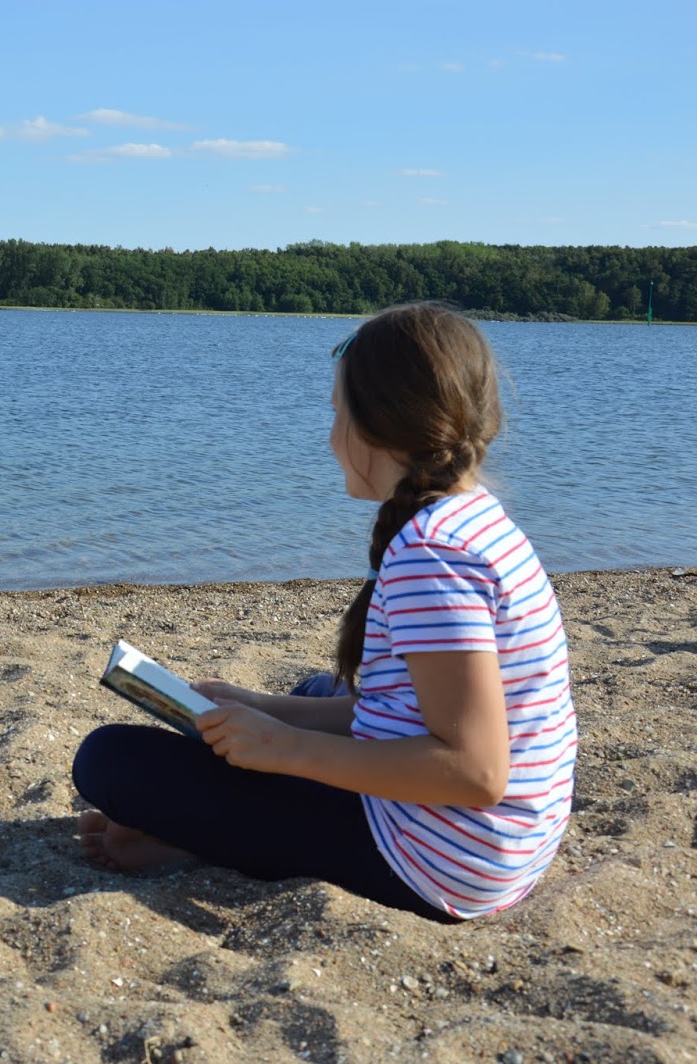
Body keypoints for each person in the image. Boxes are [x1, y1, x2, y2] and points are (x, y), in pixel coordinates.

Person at [71, 302, 576, 921]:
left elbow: (475, 771)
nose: (330, 434)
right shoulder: (474, 520)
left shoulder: (430, 555)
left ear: (376, 424)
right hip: (501, 848)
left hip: (437, 860)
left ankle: (186, 840)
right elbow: (410, 712)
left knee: (109, 760)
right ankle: (210, 818)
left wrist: (286, 749)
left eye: (338, 414)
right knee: (313, 690)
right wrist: (263, 710)